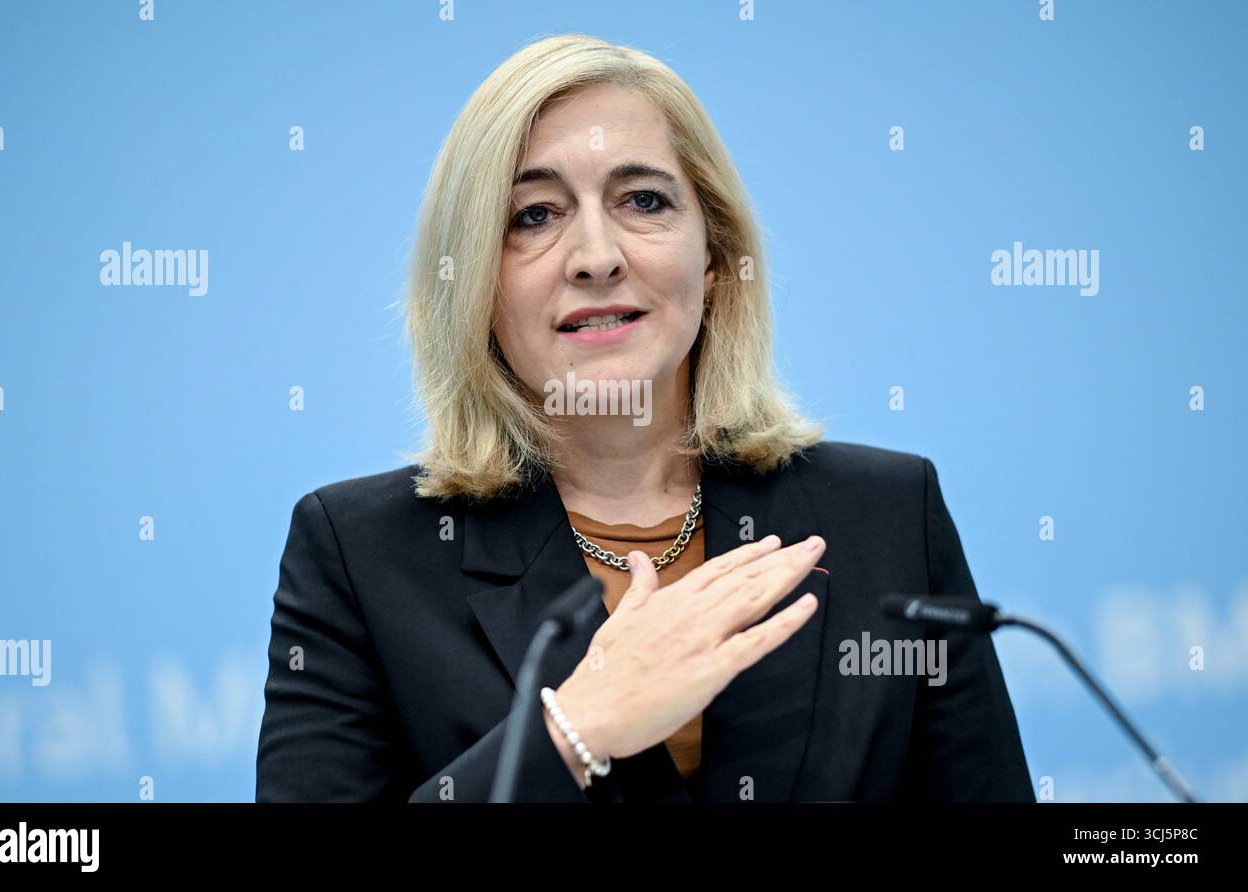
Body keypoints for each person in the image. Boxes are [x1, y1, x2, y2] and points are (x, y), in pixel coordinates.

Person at [255, 33, 1034, 803]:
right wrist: (574, 728)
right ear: (474, 283)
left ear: (714, 257)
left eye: (643, 201)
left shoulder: (889, 515)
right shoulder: (359, 556)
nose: (596, 255)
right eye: (534, 215)